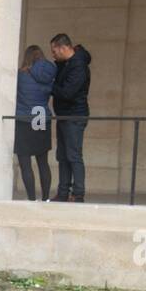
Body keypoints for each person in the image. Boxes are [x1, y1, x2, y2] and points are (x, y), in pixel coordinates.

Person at [50, 33, 92, 203]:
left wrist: (50, 86)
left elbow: (68, 92)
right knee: (62, 155)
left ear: (63, 47)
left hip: (75, 115)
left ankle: (78, 193)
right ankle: (62, 193)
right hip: (64, 115)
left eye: (54, 51)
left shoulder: (78, 66)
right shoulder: (65, 64)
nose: (53, 55)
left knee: (73, 155)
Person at [14, 44, 56, 201]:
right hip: (42, 119)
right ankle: (45, 198)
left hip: (24, 120)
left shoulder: (21, 75)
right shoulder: (48, 75)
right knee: (43, 163)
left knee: (25, 164)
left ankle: (32, 199)